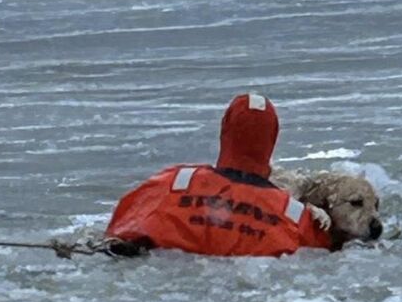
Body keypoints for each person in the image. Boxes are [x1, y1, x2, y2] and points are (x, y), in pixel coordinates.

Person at [106, 92, 334, 259]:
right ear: (272, 139)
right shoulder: (293, 215)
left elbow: (122, 223)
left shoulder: (174, 182)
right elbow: (327, 250)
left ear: (225, 131)